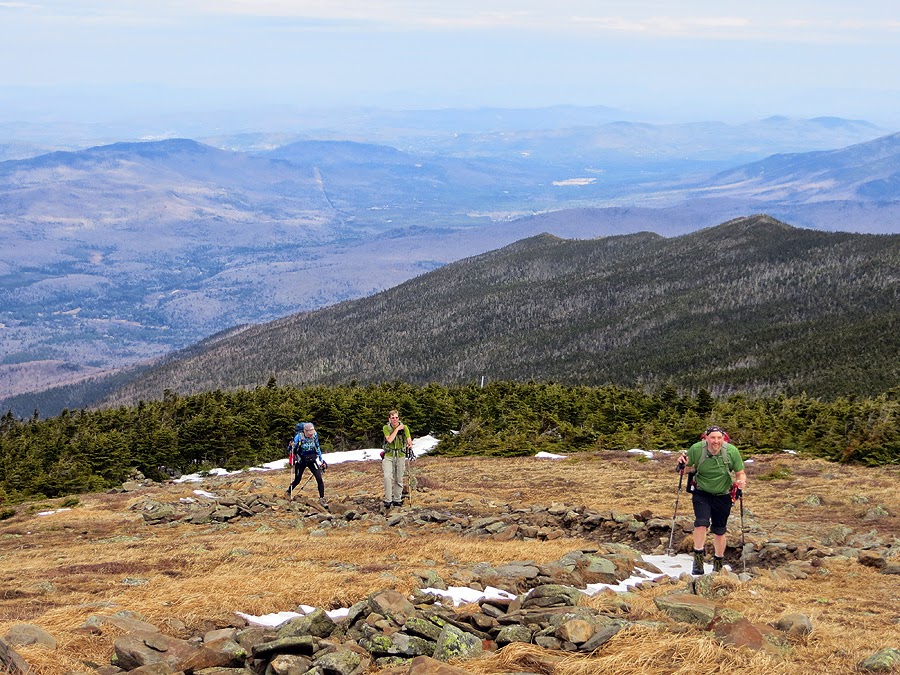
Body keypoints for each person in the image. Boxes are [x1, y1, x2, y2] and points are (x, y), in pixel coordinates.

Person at [677, 425, 747, 574]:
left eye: (719, 438)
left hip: (724, 494)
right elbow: (685, 469)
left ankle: (718, 563)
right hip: (702, 492)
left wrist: (741, 481)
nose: (716, 441)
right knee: (701, 523)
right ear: (706, 438)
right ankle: (698, 560)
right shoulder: (697, 449)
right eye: (713, 438)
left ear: (723, 438)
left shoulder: (731, 451)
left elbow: (740, 472)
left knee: (719, 531)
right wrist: (682, 464)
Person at [287, 422, 327, 506]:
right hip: (301, 461)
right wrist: (291, 446)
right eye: (309, 433)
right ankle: (288, 492)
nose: (311, 435)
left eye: (312, 433)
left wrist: (321, 460)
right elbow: (291, 449)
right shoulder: (299, 437)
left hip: (312, 460)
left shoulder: (315, 435)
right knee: (297, 480)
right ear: (305, 431)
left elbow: (317, 447)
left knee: (319, 478)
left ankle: (322, 498)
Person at [382, 410, 413, 510]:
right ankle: (388, 500)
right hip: (389, 455)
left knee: (399, 478)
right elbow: (389, 440)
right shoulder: (386, 428)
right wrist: (397, 429)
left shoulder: (405, 428)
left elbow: (409, 438)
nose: (395, 419)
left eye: (396, 417)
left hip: (400, 455)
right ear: (389, 419)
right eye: (393, 418)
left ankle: (397, 499)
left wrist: (409, 444)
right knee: (387, 477)